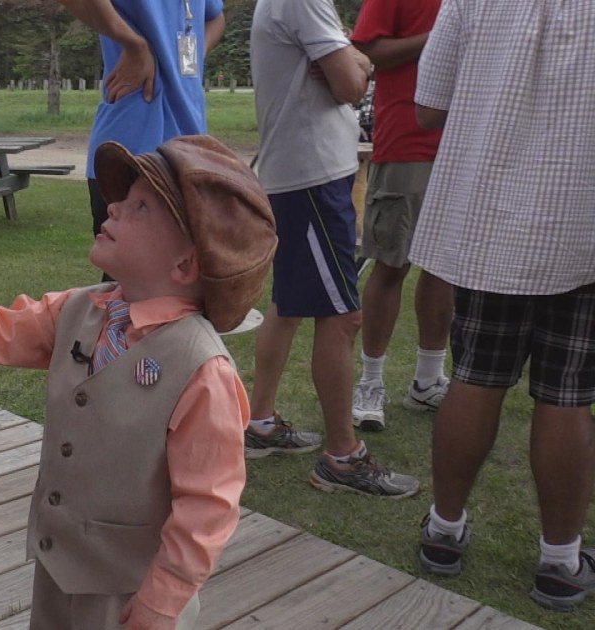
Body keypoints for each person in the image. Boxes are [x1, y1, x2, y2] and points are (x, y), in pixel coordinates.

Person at [0, 135, 276, 629]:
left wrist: (163, 599)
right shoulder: (81, 309)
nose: (113, 206)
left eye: (139, 207)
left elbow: (208, 505)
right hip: (60, 565)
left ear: (185, 264)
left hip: (131, 593)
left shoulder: (201, 370)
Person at [410, 0, 595, 612]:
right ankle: (560, 563)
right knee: (567, 392)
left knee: (476, 377)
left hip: (491, 211)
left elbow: (428, 106)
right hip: (581, 214)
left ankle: (443, 531)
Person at [246, 0, 420, 498]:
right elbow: (351, 84)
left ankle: (260, 423)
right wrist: (356, 59)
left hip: (302, 174)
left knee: (287, 306)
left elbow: (348, 62)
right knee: (342, 315)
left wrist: (349, 54)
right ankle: (343, 459)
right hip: (312, 175)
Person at [57, 0, 225, 274]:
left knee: (183, 279)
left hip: (191, 144)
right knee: (128, 283)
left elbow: (215, 18)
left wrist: (191, 57)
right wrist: (132, 44)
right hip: (131, 144)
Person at [348, 0, 452, 433]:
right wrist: (442, 37)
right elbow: (367, 49)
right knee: (391, 264)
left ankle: (428, 379)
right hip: (407, 140)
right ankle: (370, 382)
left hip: (463, 144)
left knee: (446, 268)